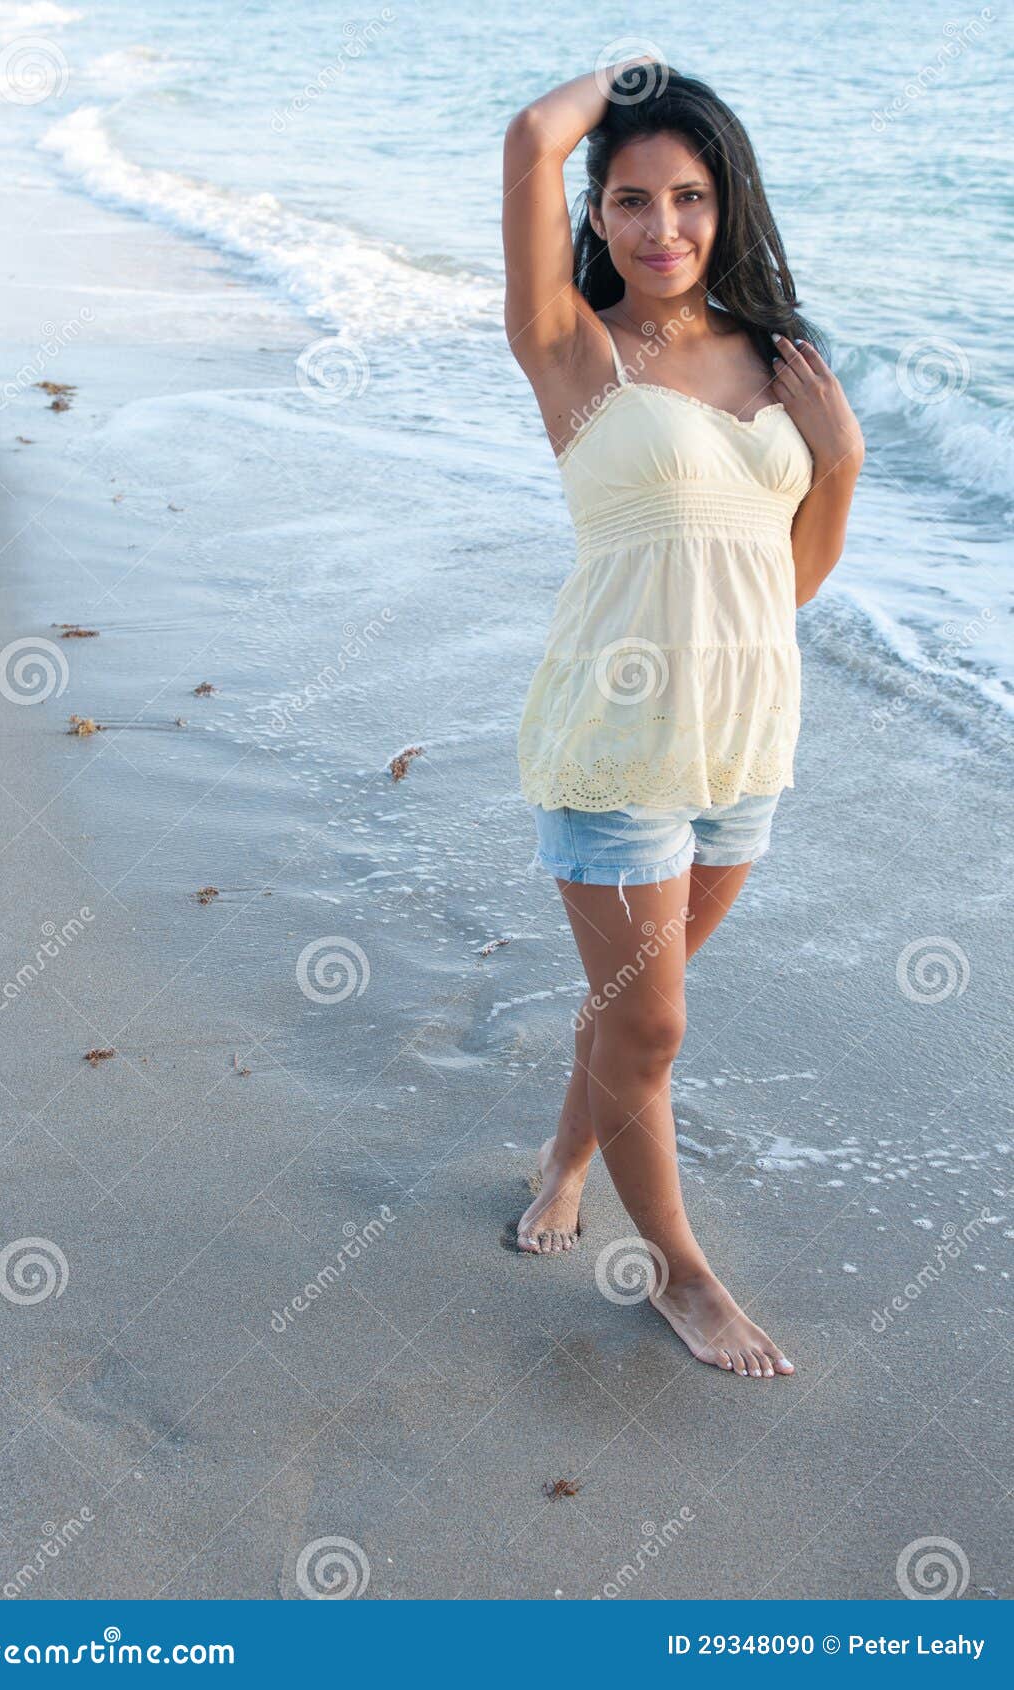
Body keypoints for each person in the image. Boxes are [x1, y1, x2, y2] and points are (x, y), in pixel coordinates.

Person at [503, 60, 864, 1377]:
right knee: (652, 1022)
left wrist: (843, 464)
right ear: (595, 215)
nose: (664, 229)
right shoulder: (573, 344)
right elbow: (530, 136)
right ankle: (678, 1272)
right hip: (616, 734)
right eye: (633, 200)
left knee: (634, 1005)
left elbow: (790, 581)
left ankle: (565, 1152)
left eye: (691, 197)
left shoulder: (779, 359)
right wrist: (636, 81)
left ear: (729, 203)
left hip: (745, 731)